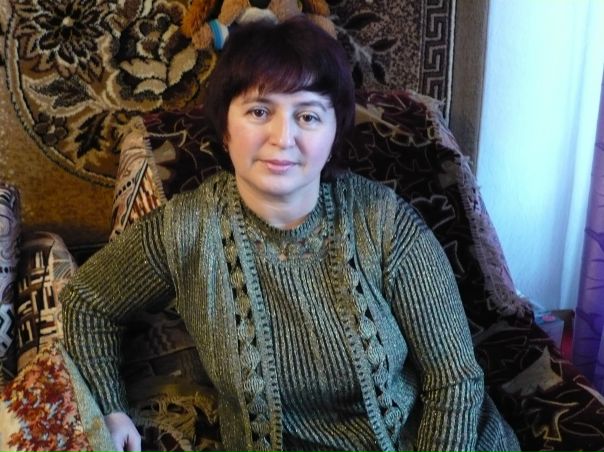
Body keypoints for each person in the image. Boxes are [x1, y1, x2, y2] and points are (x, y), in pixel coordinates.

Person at [61, 16, 521, 452]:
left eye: (308, 116)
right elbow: (88, 303)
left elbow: (454, 379)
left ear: (333, 132)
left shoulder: (384, 222)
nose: (283, 138)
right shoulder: (186, 229)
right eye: (260, 111)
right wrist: (111, 409)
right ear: (225, 128)